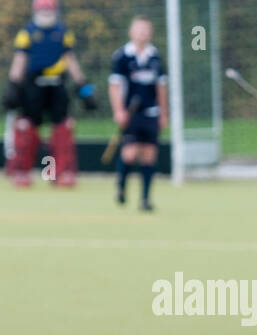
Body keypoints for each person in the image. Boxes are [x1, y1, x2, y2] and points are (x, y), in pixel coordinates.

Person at [4, 0, 96, 188]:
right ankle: (21, 171)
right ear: (36, 10)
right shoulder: (26, 33)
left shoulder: (63, 33)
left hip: (57, 85)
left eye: (49, 8)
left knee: (61, 130)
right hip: (33, 86)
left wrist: (84, 87)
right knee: (26, 128)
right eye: (42, 9)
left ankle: (60, 173)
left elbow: (70, 61)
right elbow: (20, 60)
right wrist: (13, 85)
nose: (46, 12)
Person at [108, 16, 167, 212]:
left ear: (150, 33)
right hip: (131, 113)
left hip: (151, 113)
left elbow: (161, 88)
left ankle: (145, 199)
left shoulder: (155, 57)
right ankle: (121, 188)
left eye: (146, 30)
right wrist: (118, 111)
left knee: (149, 155)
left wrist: (164, 113)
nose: (142, 33)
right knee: (130, 154)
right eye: (139, 29)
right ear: (131, 32)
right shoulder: (122, 56)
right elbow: (115, 86)